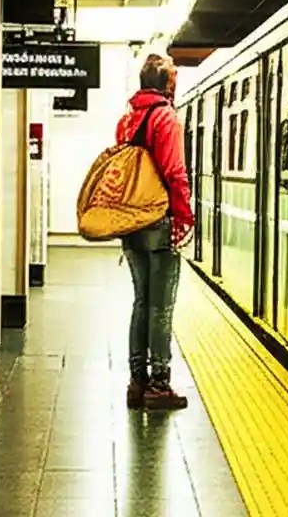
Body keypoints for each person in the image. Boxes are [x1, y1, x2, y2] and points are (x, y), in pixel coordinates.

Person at [115, 53, 195, 410]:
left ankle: (137, 382)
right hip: (159, 220)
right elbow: (175, 172)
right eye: (174, 77)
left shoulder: (127, 120)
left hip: (130, 222)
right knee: (161, 306)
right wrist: (185, 217)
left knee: (141, 301)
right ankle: (160, 385)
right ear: (166, 83)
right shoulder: (165, 118)